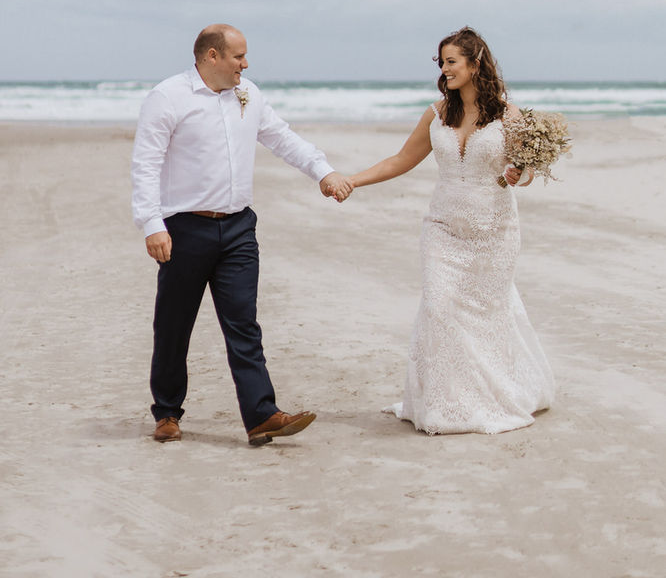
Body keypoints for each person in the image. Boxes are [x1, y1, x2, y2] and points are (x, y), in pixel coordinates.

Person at [131, 24, 352, 446]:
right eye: (238, 56)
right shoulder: (167, 97)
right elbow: (146, 163)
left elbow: (282, 138)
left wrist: (323, 172)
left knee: (244, 323)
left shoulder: (247, 93)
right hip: (184, 229)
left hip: (238, 229)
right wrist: (151, 224)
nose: (245, 64)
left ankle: (261, 415)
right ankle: (167, 412)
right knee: (174, 325)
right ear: (211, 56)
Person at [344, 27, 555, 435]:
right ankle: (444, 404)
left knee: (487, 316)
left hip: (494, 232)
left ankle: (490, 396)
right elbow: (401, 160)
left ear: (475, 64)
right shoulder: (437, 113)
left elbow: (525, 170)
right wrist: (353, 180)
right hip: (442, 228)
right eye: (441, 62)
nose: (444, 69)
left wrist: (520, 174)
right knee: (439, 309)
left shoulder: (508, 116)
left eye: (451, 61)